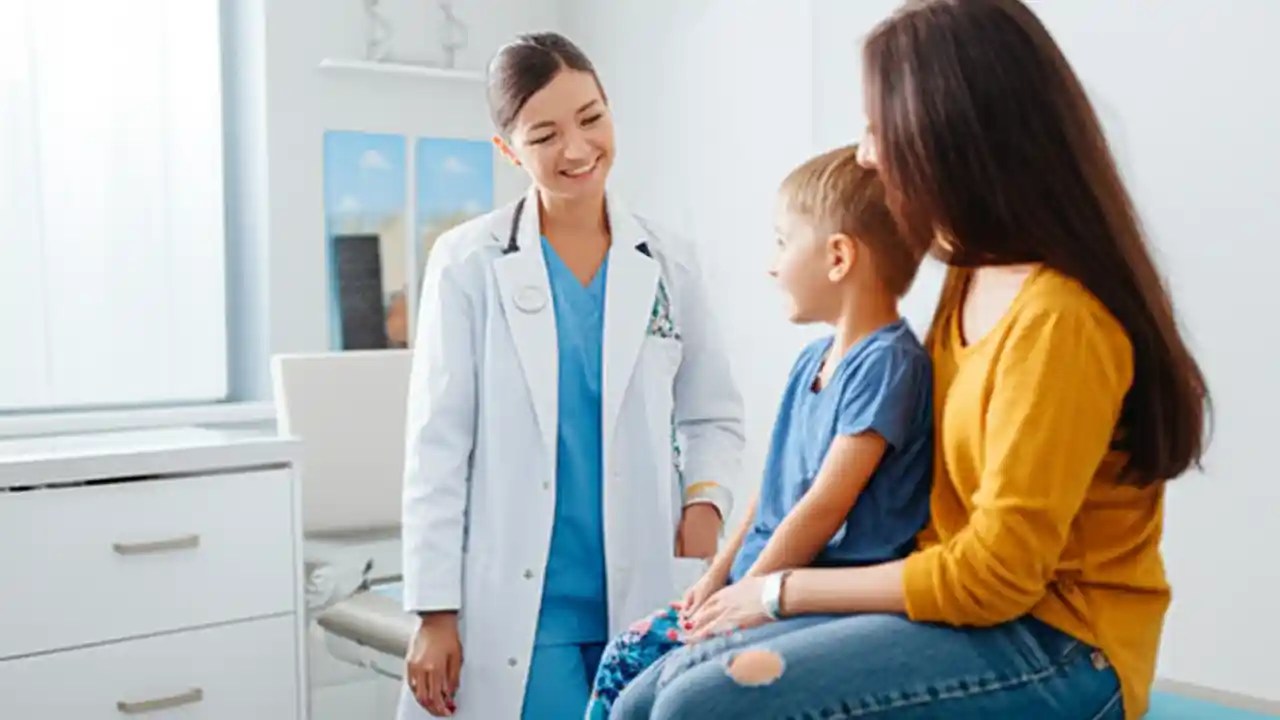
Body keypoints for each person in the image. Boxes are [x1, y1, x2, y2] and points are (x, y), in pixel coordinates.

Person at [611, 1, 1211, 719]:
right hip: (958, 613)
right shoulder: (971, 275)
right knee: (648, 692)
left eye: (876, 128)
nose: (865, 152)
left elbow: (995, 579)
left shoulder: (1060, 321)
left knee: (696, 706)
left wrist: (780, 591)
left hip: (1059, 645)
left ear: (946, 134)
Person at [398, 32, 744, 720]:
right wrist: (435, 610)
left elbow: (712, 414)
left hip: (646, 584)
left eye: (591, 118)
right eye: (545, 134)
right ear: (508, 150)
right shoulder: (469, 263)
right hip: (521, 606)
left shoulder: (670, 260)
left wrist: (704, 507)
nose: (578, 149)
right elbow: (437, 444)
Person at [587, 145, 934, 718]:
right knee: (625, 660)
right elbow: (770, 490)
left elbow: (824, 505)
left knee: (663, 685)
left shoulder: (889, 364)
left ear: (839, 257)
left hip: (819, 592)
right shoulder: (810, 362)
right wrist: (717, 578)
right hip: (761, 577)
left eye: (782, 241)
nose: (771, 264)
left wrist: (753, 594)